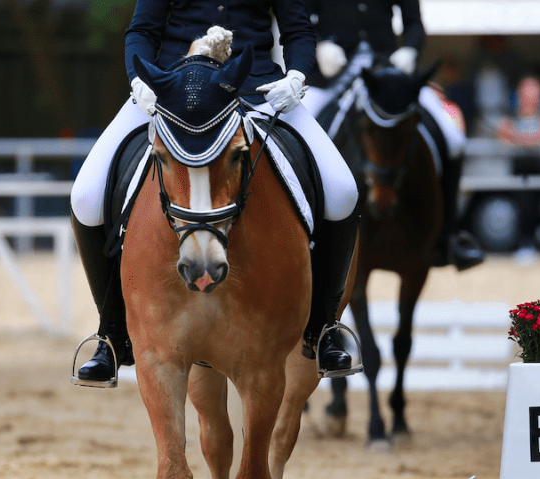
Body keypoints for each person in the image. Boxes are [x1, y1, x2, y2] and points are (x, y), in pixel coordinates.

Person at [69, 0, 360, 386]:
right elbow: (142, 30)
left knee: (342, 191)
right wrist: (139, 80)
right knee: (86, 197)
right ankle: (111, 334)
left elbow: (297, 31)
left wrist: (296, 76)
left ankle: (323, 328)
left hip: (253, 89)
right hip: (173, 90)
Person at [305, 0, 485, 271]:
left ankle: (449, 235)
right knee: (291, 136)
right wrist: (319, 44)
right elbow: (298, 19)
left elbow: (413, 23)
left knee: (453, 137)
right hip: (329, 73)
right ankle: (304, 233)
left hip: (388, 71)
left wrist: (410, 51)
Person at [497, 76, 540, 263]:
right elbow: (503, 133)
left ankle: (534, 243)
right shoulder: (512, 112)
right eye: (527, 92)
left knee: (536, 207)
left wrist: (519, 138)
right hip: (519, 169)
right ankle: (524, 244)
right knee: (522, 206)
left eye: (534, 93)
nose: (530, 97)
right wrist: (528, 139)